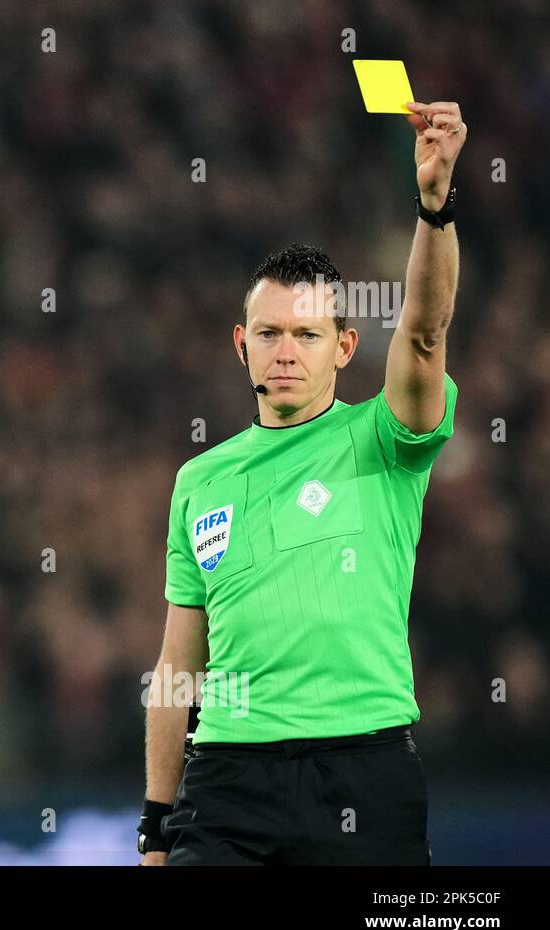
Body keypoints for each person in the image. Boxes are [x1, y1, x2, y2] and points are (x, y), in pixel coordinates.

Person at [139, 101, 467, 865]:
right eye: (269, 333)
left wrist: (434, 206)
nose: (286, 352)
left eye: (308, 334)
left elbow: (424, 328)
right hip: (226, 781)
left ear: (345, 346)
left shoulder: (385, 440)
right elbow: (177, 665)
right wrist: (155, 825)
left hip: (364, 770)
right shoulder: (200, 479)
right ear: (241, 346)